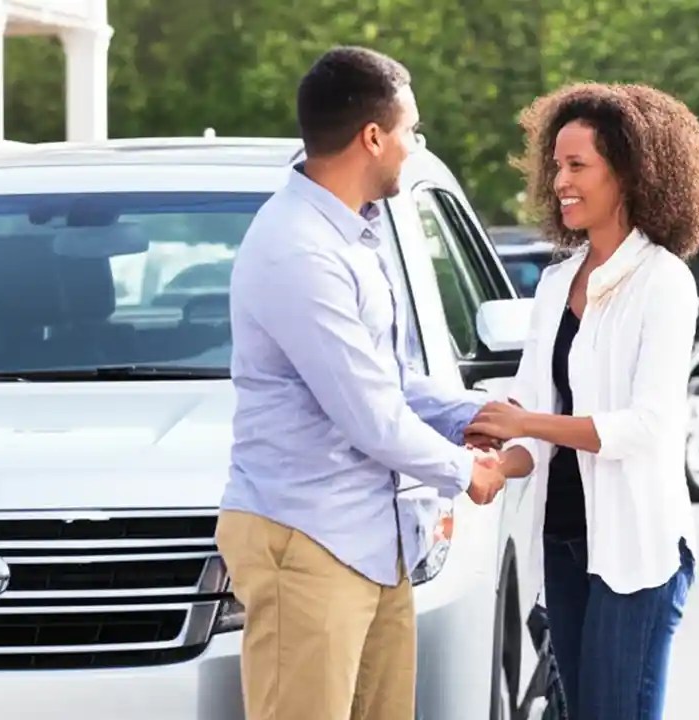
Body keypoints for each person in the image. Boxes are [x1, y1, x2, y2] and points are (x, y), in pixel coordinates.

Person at [214, 46, 508, 720]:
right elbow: (369, 414)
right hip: (308, 537)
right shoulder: (298, 248)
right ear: (373, 137)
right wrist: (468, 472)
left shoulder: (355, 235)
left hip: (374, 538)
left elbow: (390, 376)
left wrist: (474, 414)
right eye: (411, 130)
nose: (414, 145)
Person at [465, 82, 699, 719]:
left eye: (578, 165)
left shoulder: (664, 282)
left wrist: (525, 421)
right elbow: (531, 417)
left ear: (630, 173)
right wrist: (501, 463)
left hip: (636, 553)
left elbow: (648, 427)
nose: (559, 181)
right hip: (563, 542)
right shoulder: (555, 284)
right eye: (556, 164)